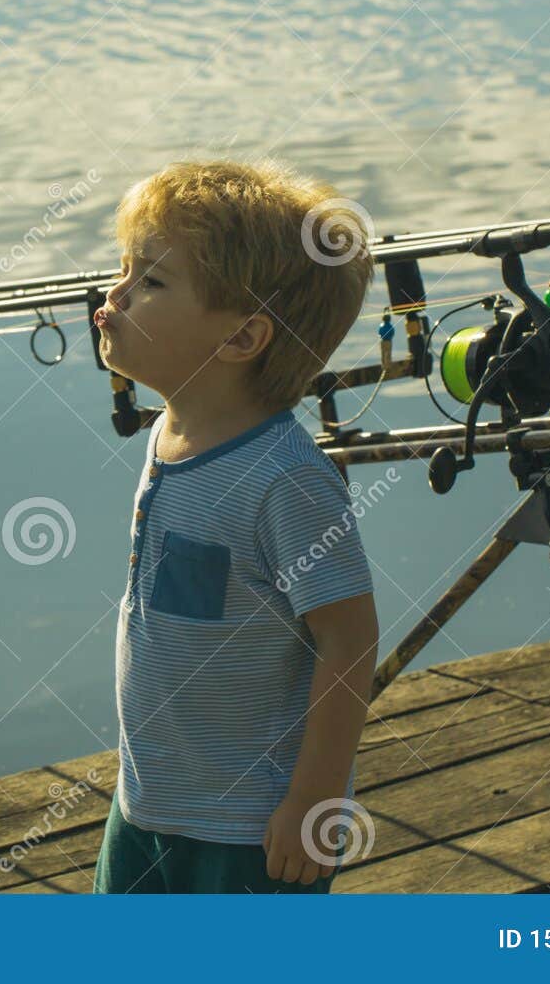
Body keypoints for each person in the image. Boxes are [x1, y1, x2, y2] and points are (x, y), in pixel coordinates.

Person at [90, 157, 379, 893]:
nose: (113, 294)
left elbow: (348, 637)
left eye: (149, 281)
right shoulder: (169, 431)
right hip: (147, 805)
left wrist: (314, 798)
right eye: (122, 268)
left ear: (244, 338)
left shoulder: (285, 478)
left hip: (249, 827)